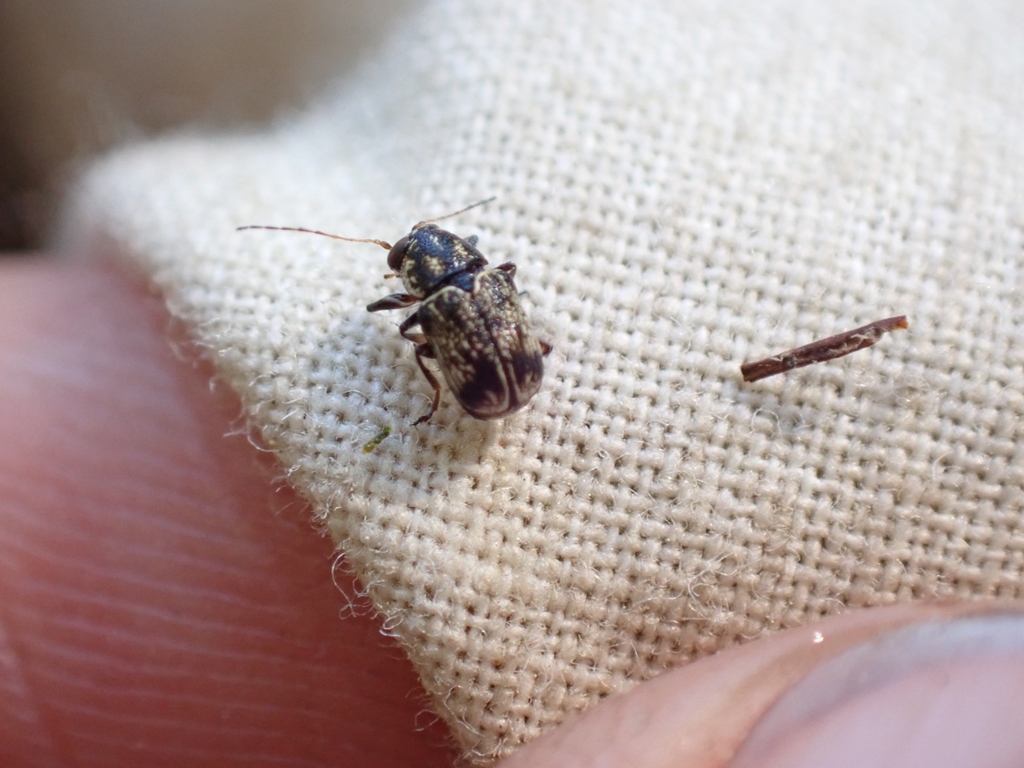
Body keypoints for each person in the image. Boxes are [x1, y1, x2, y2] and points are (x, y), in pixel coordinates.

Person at [2, 255, 1021, 767]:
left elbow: (414, 327)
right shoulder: (482, 283)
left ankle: (446, 399)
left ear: (415, 274)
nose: (403, 278)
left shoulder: (438, 306)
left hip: (488, 389)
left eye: (406, 269)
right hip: (508, 376)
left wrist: (445, 381)